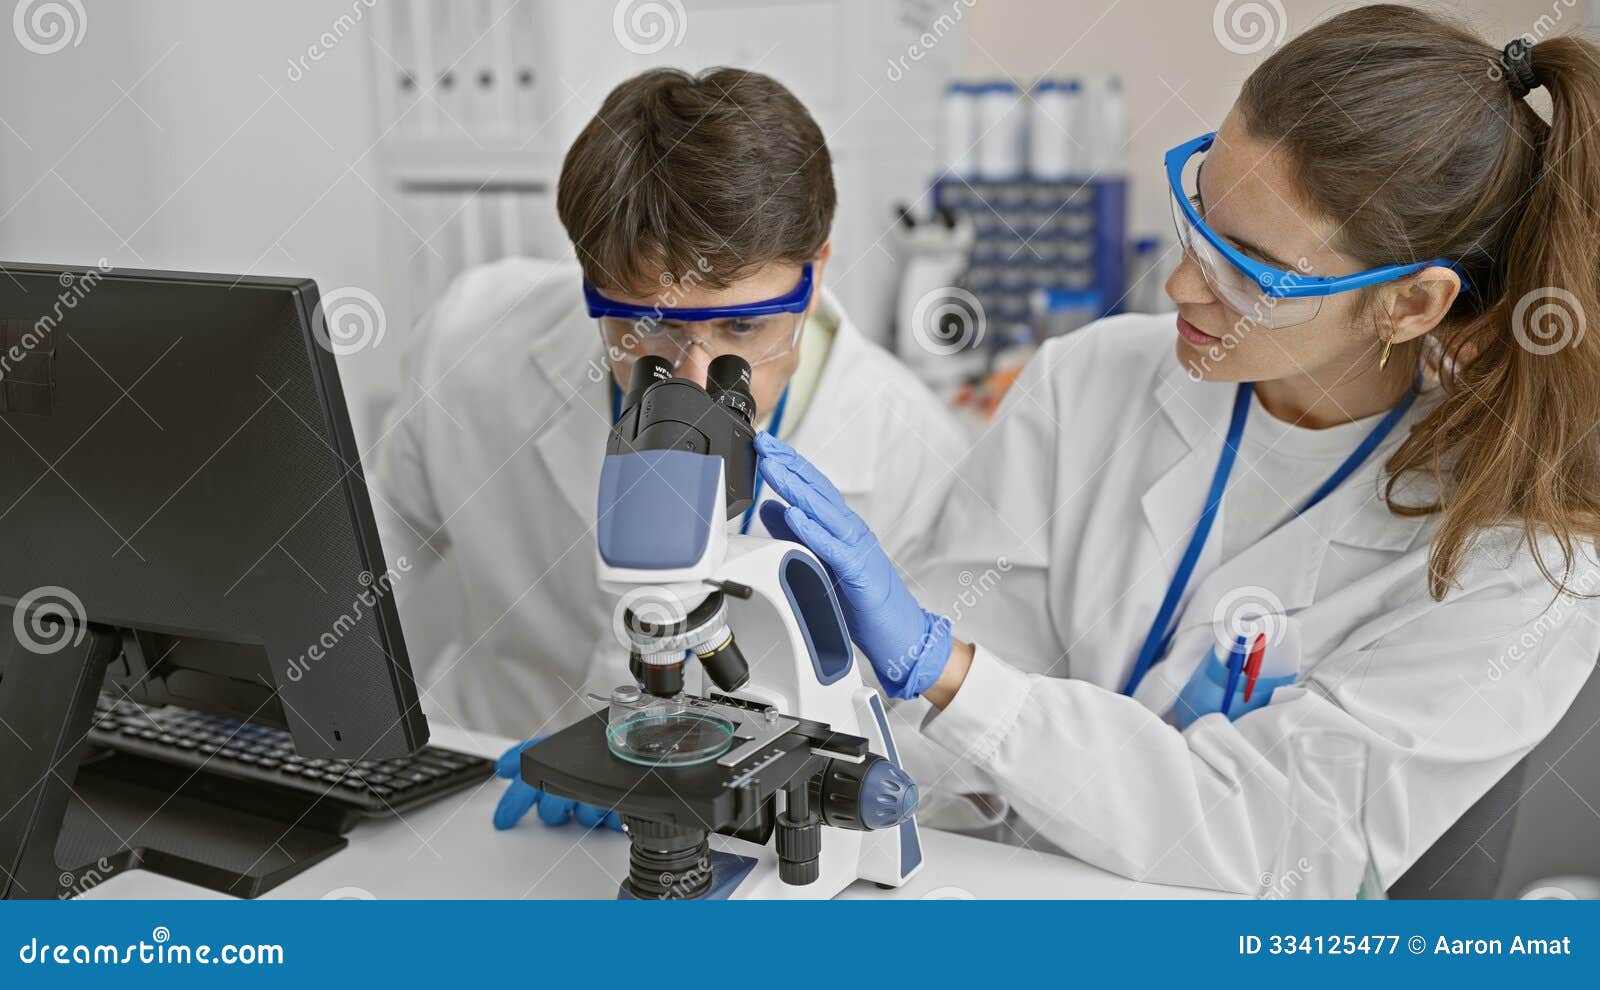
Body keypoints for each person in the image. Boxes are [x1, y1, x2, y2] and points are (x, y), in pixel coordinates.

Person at [756, 6, 1600, 894]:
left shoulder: (1522, 564)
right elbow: (929, 747)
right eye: (1199, 209)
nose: (1181, 284)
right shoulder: (1090, 380)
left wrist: (953, 676)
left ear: (1412, 304)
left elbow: (1278, 838)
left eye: (1251, 266)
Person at [369, 68, 979, 830]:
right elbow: (369, 573)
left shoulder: (914, 448)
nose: (691, 377)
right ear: (590, 281)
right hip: (484, 794)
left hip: (726, 838)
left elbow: (935, 774)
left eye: (742, 330)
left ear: (815, 273)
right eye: (647, 327)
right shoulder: (473, 340)